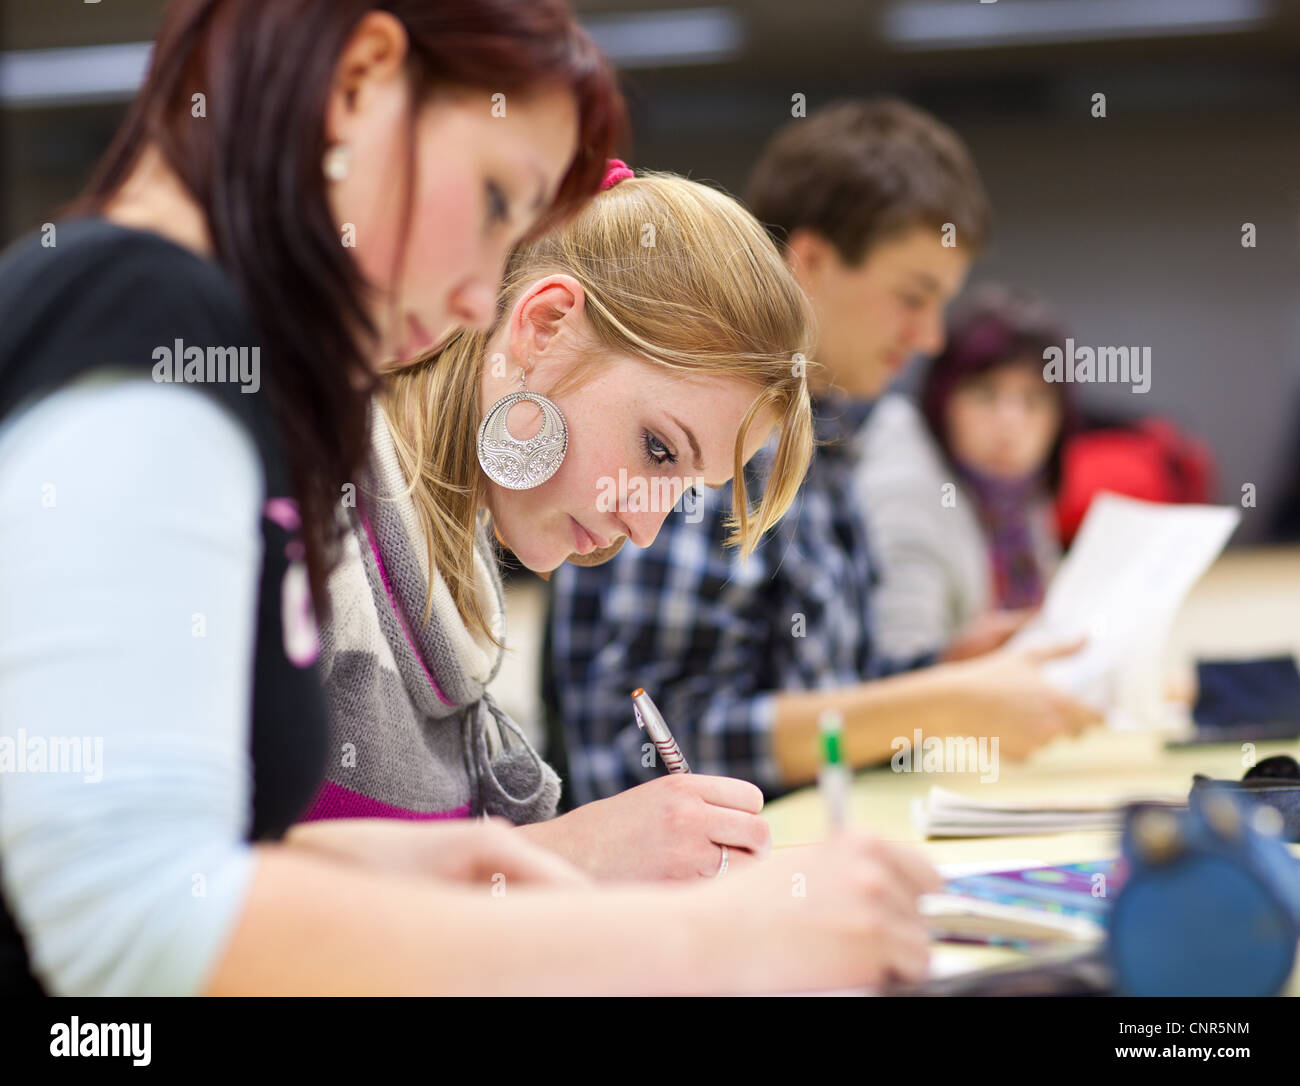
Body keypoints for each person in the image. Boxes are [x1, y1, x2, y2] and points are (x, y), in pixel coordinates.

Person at [0, 4, 936, 996]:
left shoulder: (204, 348)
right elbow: (126, 926)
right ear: (360, 79)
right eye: (497, 200)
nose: (477, 296)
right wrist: (706, 943)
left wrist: (463, 873)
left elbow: (185, 853)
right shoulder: (154, 315)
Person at [546, 98, 1102, 810]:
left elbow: (824, 692)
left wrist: (946, 668)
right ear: (809, 262)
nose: (930, 337)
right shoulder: (704, 432)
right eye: (913, 296)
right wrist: (938, 703)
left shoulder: (831, 440)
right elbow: (650, 745)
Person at [299, 166, 818, 881]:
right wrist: (563, 856)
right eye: (658, 449)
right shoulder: (303, 511)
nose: (643, 528)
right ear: (544, 328)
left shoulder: (453, 573)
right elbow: (167, 896)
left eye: (685, 488)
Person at [856, 284, 1074, 660]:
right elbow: (900, 666)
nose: (1010, 423)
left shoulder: (1018, 494)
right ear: (943, 401)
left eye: (1034, 401)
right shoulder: (905, 486)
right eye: (985, 395)